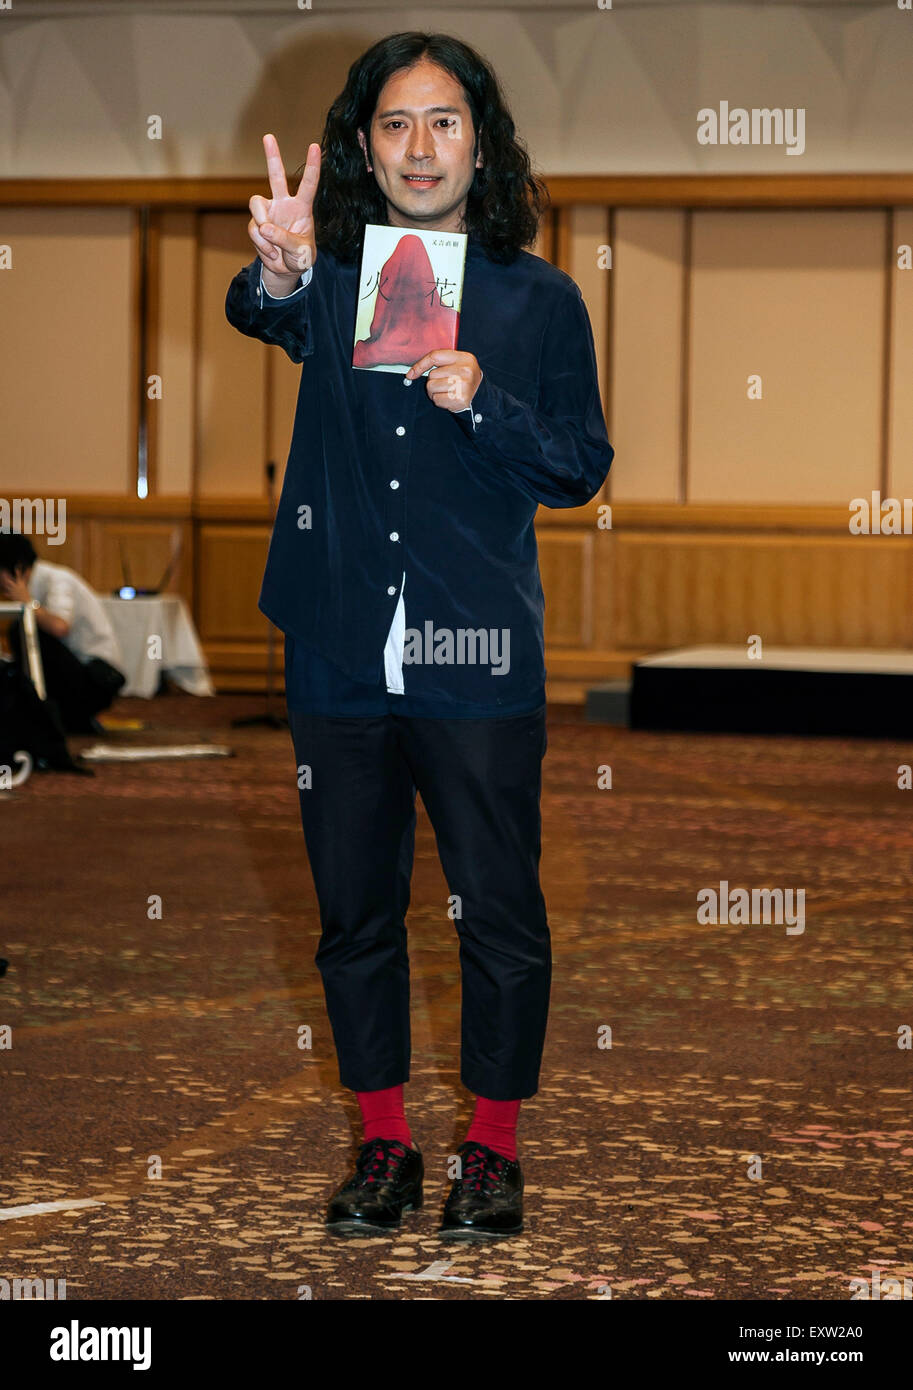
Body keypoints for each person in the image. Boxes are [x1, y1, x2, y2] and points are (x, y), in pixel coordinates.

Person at [226, 30, 613, 1239]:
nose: (419, 147)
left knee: (498, 909)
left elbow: (580, 468)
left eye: (444, 121)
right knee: (355, 910)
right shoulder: (335, 275)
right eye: (394, 125)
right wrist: (285, 272)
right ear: (362, 147)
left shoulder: (537, 297)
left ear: (480, 141)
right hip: (340, 644)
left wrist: (483, 401)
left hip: (475, 653)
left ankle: (491, 1152)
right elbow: (261, 310)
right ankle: (383, 1140)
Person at [0, 533, 126, 734]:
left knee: (23, 631)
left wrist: (28, 602)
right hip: (79, 672)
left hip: (99, 678)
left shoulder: (57, 579)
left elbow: (60, 627)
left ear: (15, 569)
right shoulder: (38, 581)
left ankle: (64, 715)